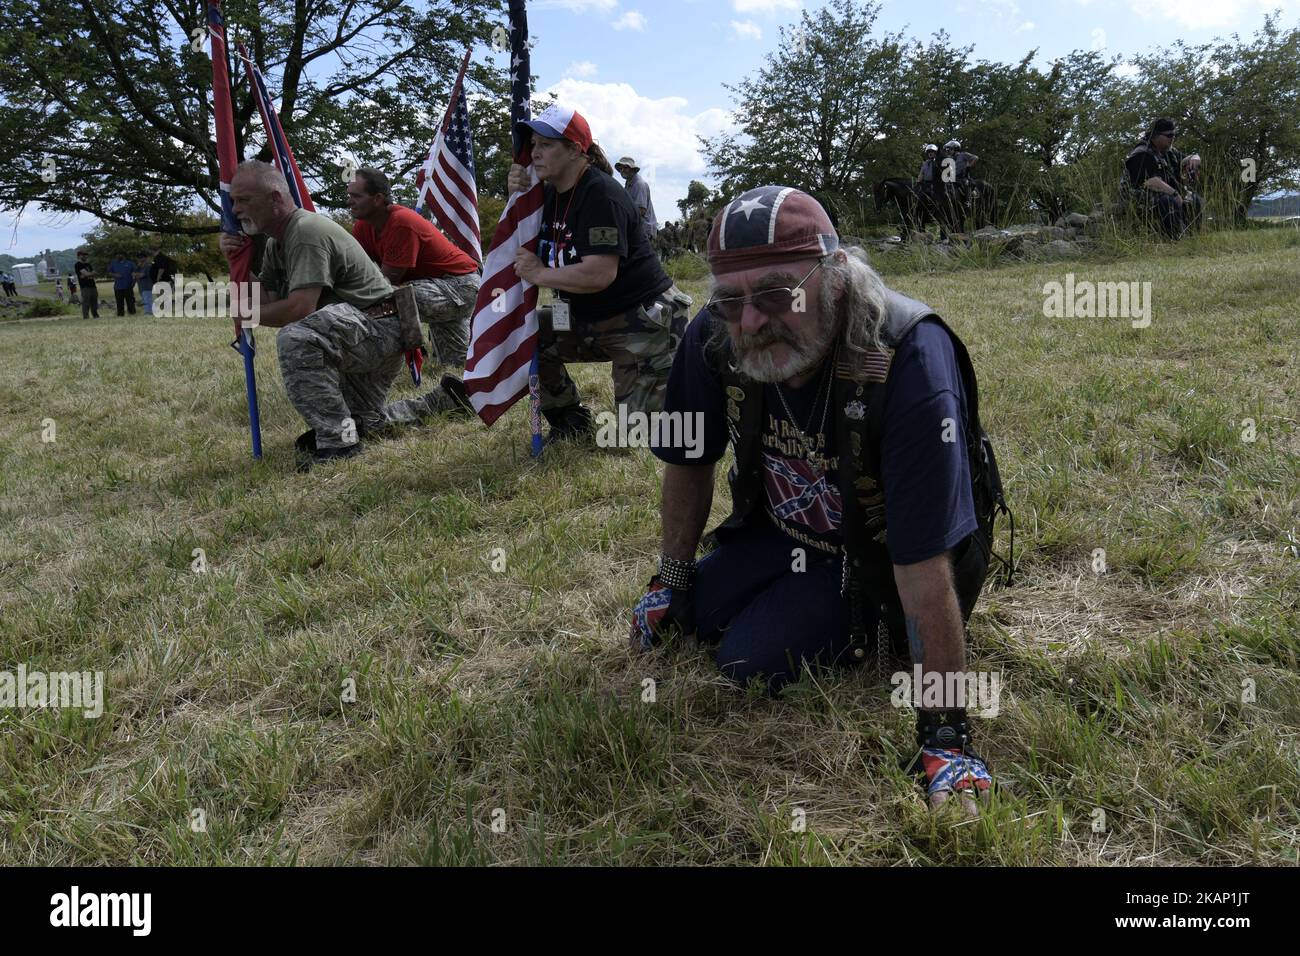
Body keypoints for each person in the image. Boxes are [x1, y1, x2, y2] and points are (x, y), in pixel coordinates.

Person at [629, 185, 1005, 814]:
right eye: (731, 299)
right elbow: (688, 461)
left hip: (883, 556)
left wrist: (945, 734)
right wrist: (670, 579)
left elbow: (923, 558)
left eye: (778, 293)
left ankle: (872, 628)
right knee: (687, 620)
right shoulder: (714, 332)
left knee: (747, 661)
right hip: (783, 531)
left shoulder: (908, 353)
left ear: (834, 276)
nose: (751, 321)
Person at [219, 160, 472, 468]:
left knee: (298, 338)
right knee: (362, 422)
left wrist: (245, 315)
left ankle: (338, 444)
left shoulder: (306, 230)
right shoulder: (277, 243)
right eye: (233, 202)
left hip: (380, 326)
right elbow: (267, 298)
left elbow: (299, 309)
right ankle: (445, 401)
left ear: (274, 198)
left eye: (244, 200)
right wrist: (238, 261)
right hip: (367, 330)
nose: (235, 210)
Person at [506, 104, 693, 441]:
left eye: (546, 145)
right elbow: (520, 235)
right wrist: (518, 195)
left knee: (640, 438)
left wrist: (540, 274)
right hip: (587, 319)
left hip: (641, 322)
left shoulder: (601, 194)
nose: (534, 153)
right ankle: (570, 421)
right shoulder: (547, 195)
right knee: (526, 335)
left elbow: (598, 274)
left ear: (576, 149)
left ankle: (684, 390)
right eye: (532, 145)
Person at [347, 168, 481, 368]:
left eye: (356, 196)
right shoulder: (362, 226)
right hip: (437, 286)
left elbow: (384, 284)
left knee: (393, 298)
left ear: (377, 199)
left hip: (461, 285)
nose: (349, 201)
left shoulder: (401, 223)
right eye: (349, 195)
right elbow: (355, 270)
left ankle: (397, 358)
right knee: (456, 364)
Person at [1123, 118, 1202, 238]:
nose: (1173, 138)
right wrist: (1175, 194)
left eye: (1174, 135)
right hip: (1139, 195)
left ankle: (1194, 236)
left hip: (1163, 192)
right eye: (1169, 135)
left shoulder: (1168, 151)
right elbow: (1149, 182)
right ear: (1156, 136)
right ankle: (1172, 238)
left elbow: (1186, 158)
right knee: (1168, 201)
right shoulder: (1142, 153)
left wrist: (1195, 158)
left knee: (1194, 199)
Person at [614, 156, 658, 244]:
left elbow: (641, 210)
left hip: (644, 229)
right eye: (621, 168)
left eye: (625, 167)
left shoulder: (639, 184)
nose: (622, 170)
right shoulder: (629, 184)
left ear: (633, 169)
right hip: (638, 228)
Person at [107, 251, 136, 316]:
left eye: (119, 254)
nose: (118, 256)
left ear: (123, 255)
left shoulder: (130, 263)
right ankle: (120, 314)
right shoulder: (113, 263)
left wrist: (134, 282)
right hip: (118, 287)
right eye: (116, 255)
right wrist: (115, 275)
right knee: (119, 302)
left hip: (128, 285)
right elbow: (109, 272)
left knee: (130, 301)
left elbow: (135, 273)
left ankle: (132, 313)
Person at [74, 251, 99, 319]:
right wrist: (89, 274)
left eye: (86, 255)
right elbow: (87, 274)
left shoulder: (88, 264)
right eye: (83, 255)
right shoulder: (78, 264)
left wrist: (88, 274)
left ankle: (95, 315)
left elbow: (94, 274)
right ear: (79, 256)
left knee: (94, 301)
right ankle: (86, 316)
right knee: (86, 302)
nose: (85, 256)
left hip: (92, 285)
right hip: (85, 286)